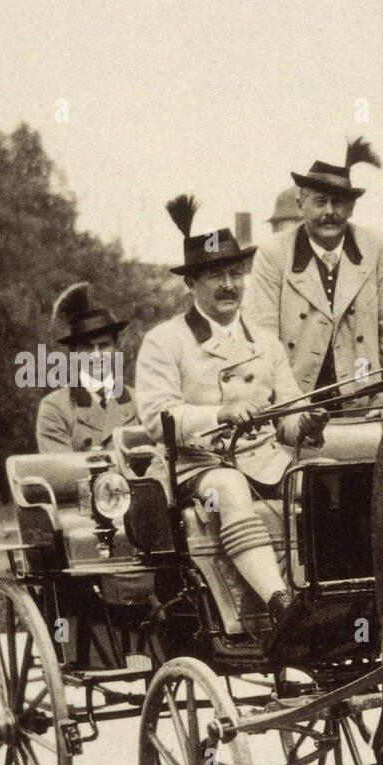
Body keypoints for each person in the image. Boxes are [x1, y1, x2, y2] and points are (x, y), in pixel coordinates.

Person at [137, 194, 326, 637]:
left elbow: (288, 415)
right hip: (195, 472)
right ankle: (280, 604)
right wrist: (220, 413)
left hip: (266, 462)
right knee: (229, 486)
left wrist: (307, 423)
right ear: (192, 284)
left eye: (235, 274)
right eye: (215, 276)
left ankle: (331, 595)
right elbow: (156, 416)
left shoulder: (264, 342)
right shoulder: (165, 341)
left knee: (327, 478)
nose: (229, 285)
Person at [239, 138, 383, 402]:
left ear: (352, 207)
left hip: (366, 403)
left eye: (339, 202)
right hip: (295, 406)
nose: (330, 212)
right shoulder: (274, 254)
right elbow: (262, 340)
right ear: (300, 204)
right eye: (320, 202)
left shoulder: (377, 249)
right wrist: (280, 408)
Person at [36, 283, 138, 453]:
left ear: (116, 347)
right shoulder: (55, 408)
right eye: (87, 348)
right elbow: (60, 467)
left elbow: (159, 459)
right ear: (74, 353)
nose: (96, 355)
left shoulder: (139, 402)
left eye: (104, 345)